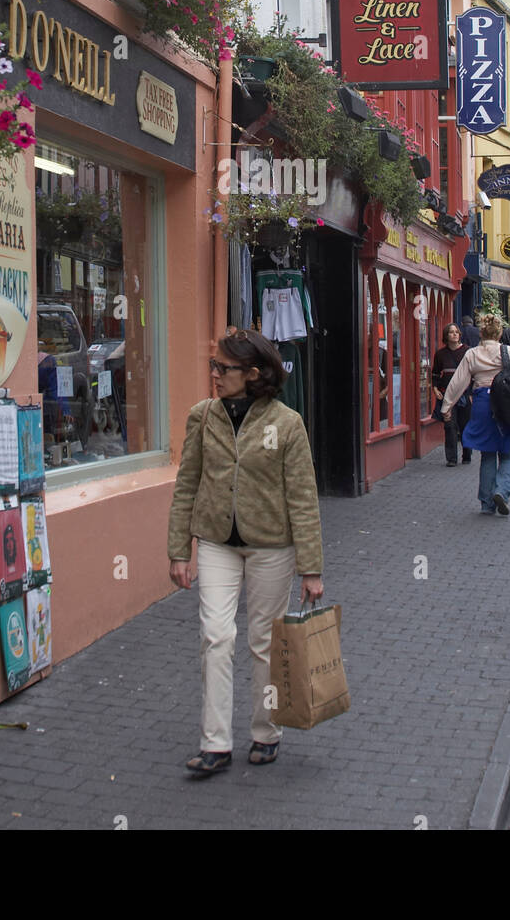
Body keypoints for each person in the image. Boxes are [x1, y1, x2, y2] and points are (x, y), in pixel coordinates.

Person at [168, 330, 323, 776]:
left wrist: (311, 568)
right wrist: (179, 549)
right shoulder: (203, 417)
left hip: (271, 545)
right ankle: (214, 743)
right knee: (215, 636)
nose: (214, 374)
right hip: (217, 541)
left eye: (223, 368)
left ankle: (265, 731)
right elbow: (187, 485)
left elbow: (303, 498)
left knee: (263, 643)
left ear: (253, 375)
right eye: (214, 366)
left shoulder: (287, 424)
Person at [441, 312, 510, 516]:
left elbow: (458, 382)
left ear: (481, 333)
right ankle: (501, 491)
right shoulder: (507, 351)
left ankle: (486, 503)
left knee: (488, 454)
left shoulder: (472, 354)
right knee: (507, 454)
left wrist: (447, 407)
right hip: (505, 405)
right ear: (499, 334)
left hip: (482, 404)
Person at [432, 323, 472, 466]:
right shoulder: (440, 354)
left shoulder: (468, 352)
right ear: (446, 336)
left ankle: (467, 454)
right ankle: (452, 458)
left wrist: (472, 393)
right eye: (451, 332)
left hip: (464, 394)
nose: (454, 334)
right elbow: (435, 374)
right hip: (447, 394)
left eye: (456, 332)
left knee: (465, 425)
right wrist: (435, 389)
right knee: (449, 426)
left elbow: (473, 374)